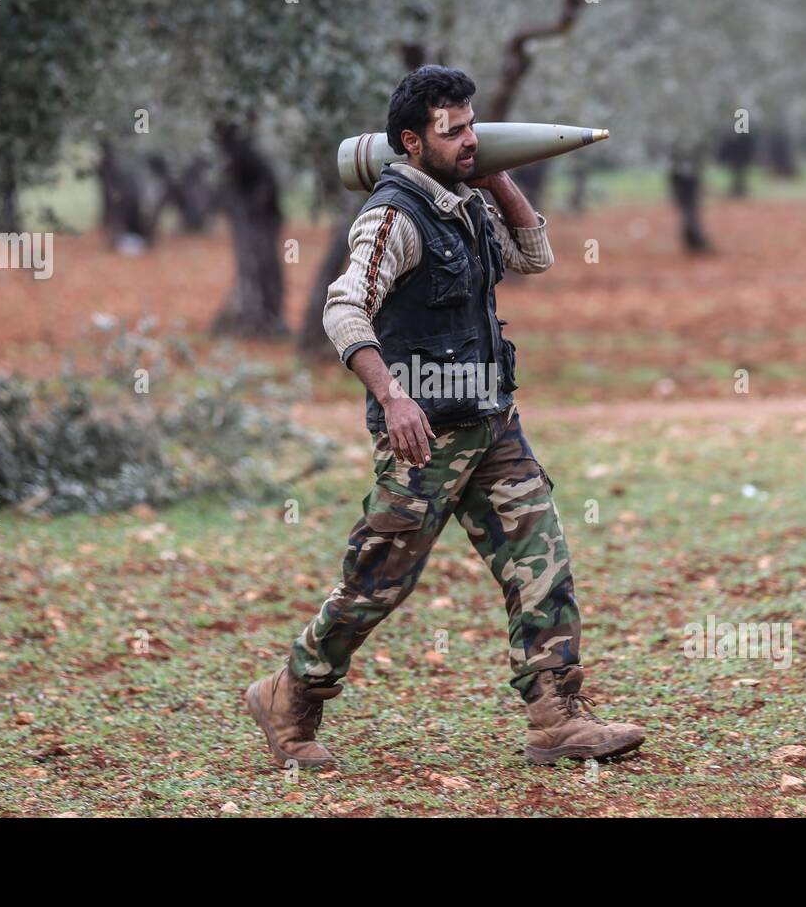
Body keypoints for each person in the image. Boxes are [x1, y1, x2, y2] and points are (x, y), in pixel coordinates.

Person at [246, 65, 645, 767]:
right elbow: (342, 307)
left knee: (541, 559)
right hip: (423, 437)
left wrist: (494, 172)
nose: (469, 139)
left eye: (473, 127)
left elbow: (535, 255)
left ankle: (556, 716)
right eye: (452, 131)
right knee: (376, 585)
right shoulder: (393, 215)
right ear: (411, 140)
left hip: (492, 425)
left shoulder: (468, 198)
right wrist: (393, 397)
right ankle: (289, 695)